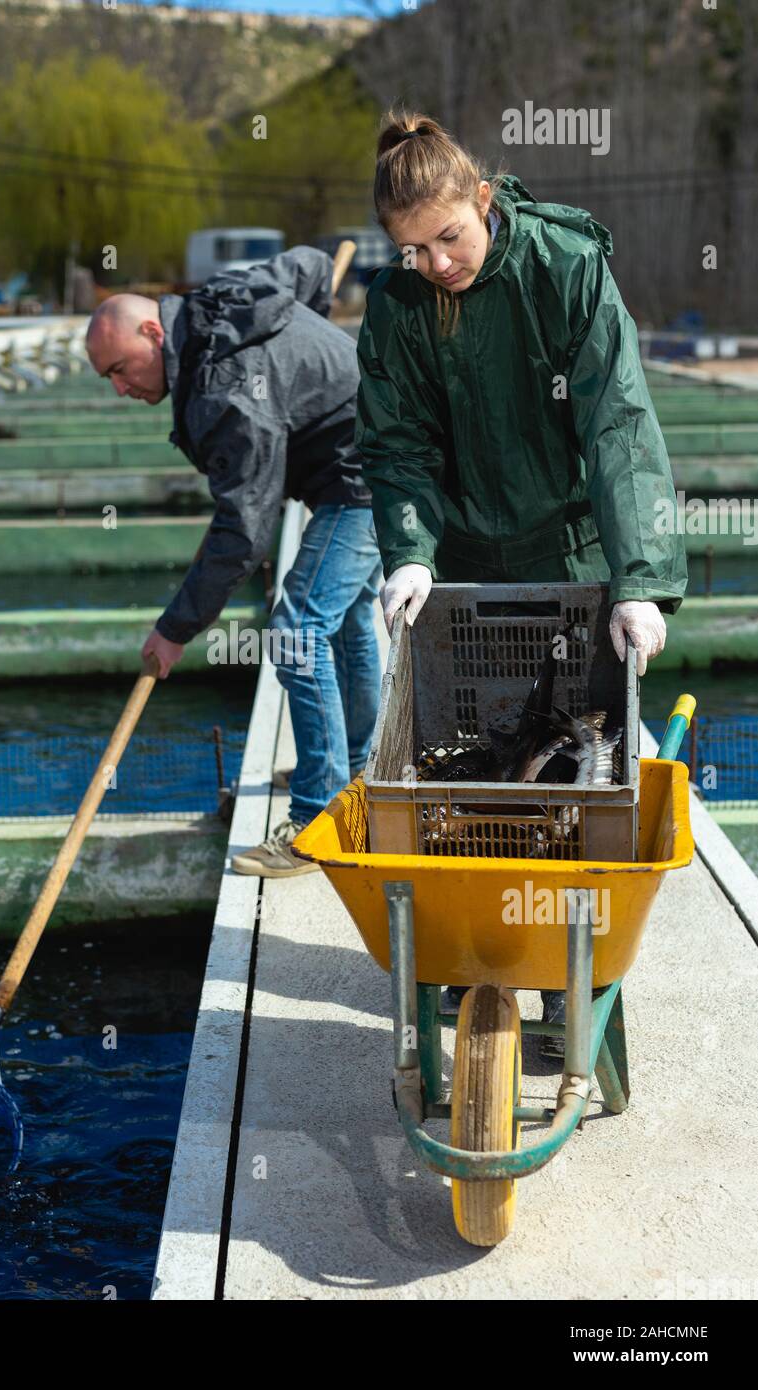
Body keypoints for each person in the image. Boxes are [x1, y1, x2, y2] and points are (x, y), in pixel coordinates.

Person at [355, 111, 688, 1058]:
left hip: (572, 552)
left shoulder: (564, 268)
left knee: (587, 782)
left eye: (448, 237)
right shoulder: (396, 305)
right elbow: (397, 442)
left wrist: (637, 579)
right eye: (411, 249)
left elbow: (617, 425)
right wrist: (410, 550)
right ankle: (480, 955)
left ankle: (570, 990)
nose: (435, 264)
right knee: (478, 766)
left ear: (485, 204)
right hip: (461, 558)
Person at [86, 248, 382, 877]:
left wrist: (175, 629)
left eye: (118, 369)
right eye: (106, 379)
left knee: (298, 630)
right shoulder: (216, 302)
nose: (119, 388)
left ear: (152, 332)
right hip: (357, 467)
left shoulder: (224, 390)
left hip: (374, 474)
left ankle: (320, 822)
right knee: (348, 621)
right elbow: (309, 264)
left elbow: (245, 531)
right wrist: (309, 347)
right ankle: (351, 771)